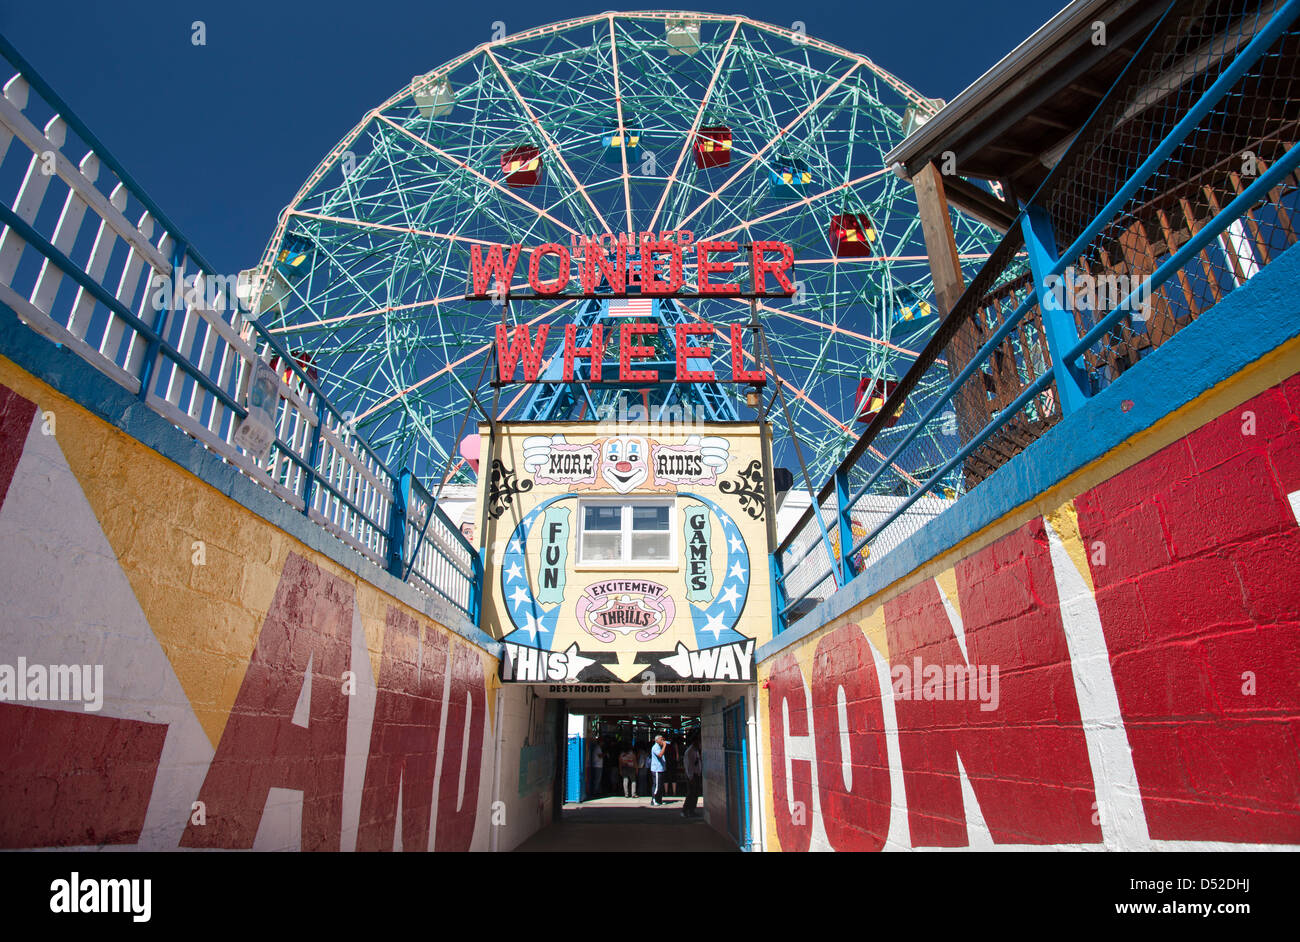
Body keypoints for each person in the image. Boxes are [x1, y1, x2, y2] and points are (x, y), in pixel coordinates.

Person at [682, 734, 703, 817]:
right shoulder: (690, 752)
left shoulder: (696, 750)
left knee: (695, 793)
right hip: (692, 775)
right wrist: (690, 777)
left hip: (696, 774)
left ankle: (691, 810)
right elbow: (688, 765)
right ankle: (685, 810)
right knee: (691, 793)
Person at [649, 735, 667, 805]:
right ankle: (654, 800)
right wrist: (664, 746)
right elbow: (660, 755)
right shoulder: (655, 747)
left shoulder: (660, 747)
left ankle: (659, 799)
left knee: (660, 785)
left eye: (663, 739)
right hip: (656, 769)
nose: (662, 741)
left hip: (661, 768)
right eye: (661, 739)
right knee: (656, 785)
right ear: (657, 740)